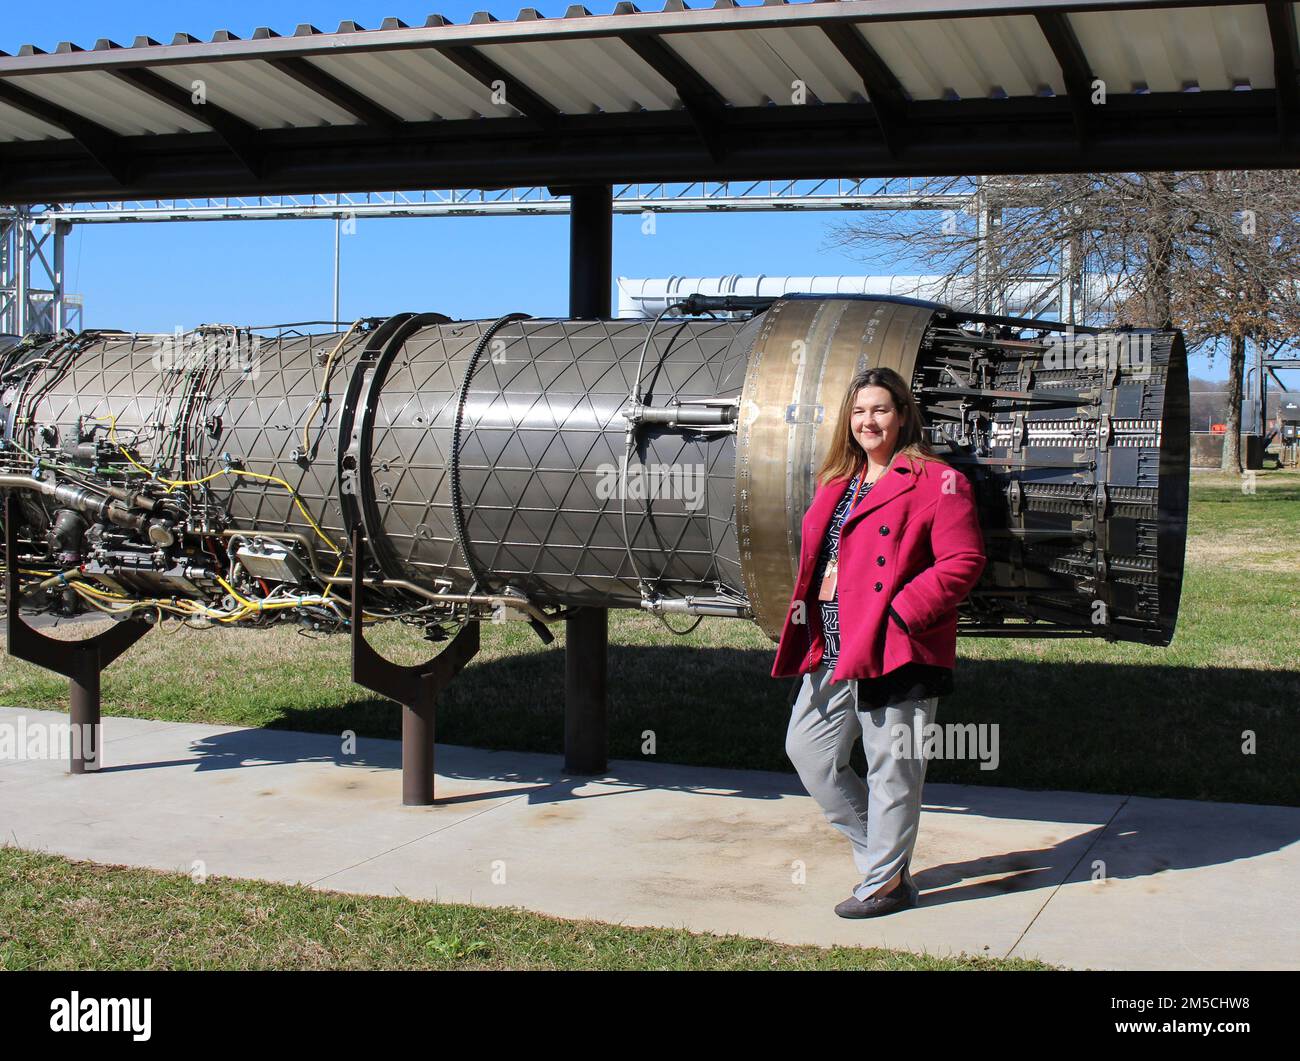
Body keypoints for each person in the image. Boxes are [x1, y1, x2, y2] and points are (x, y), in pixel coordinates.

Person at [771, 366, 986, 918]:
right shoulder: (837, 482)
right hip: (833, 645)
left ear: (903, 415)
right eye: (859, 410)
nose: (868, 421)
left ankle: (885, 884)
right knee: (810, 753)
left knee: (892, 770)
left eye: (881, 410)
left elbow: (963, 560)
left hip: (896, 646)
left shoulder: (937, 480)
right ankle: (883, 860)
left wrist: (902, 612)